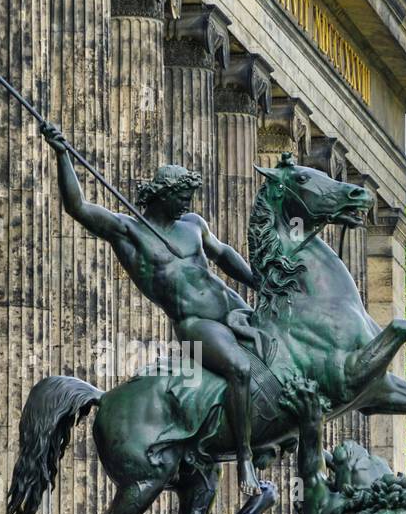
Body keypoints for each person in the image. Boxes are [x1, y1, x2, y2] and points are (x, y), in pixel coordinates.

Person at [41, 122, 265, 494]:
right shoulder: (130, 232)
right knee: (240, 371)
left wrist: (257, 280)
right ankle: (245, 458)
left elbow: (223, 254)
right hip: (197, 324)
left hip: (232, 306)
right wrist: (63, 154)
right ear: (163, 195)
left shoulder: (193, 224)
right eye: (182, 197)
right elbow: (77, 207)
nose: (188, 204)